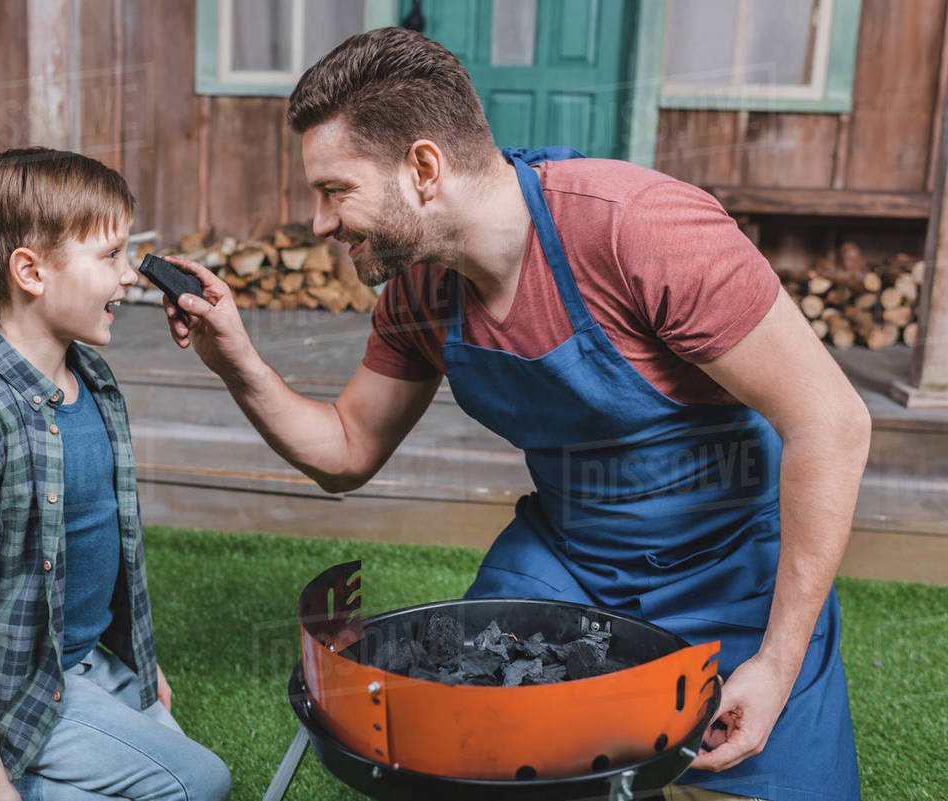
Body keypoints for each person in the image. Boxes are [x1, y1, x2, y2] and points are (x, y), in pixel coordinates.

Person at [158, 27, 867, 801]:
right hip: (569, 554)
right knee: (474, 744)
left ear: (424, 168)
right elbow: (347, 449)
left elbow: (830, 421)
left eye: (335, 190)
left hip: (730, 557)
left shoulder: (640, 229)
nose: (321, 223)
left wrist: (777, 658)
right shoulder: (421, 293)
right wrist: (238, 362)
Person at [0, 147, 231, 801]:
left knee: (174, 775)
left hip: (89, 664)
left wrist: (142, 670)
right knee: (201, 784)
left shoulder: (92, 379)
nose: (128, 277)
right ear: (31, 271)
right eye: (110, 257)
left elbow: (106, 538)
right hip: (17, 682)